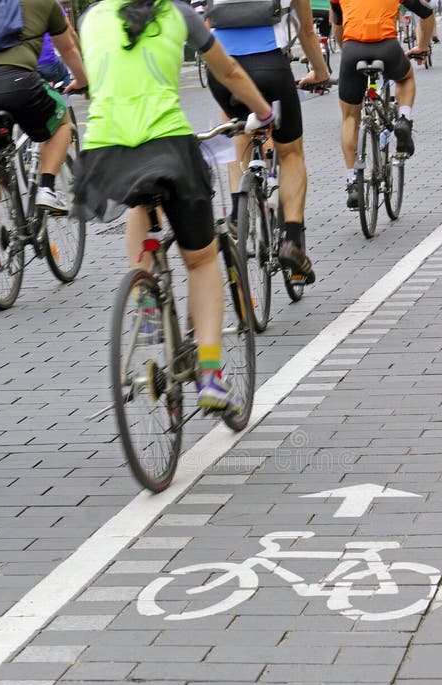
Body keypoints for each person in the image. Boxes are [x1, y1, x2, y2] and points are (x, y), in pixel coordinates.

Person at [75, 0, 274, 413]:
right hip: (167, 146)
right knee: (201, 260)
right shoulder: (179, 14)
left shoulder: (89, 18)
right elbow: (229, 72)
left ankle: (145, 298)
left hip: (105, 152)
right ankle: (211, 376)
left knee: (140, 203)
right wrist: (263, 112)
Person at [206, 0, 331, 284]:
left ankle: (237, 212)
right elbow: (306, 31)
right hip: (270, 67)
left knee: (239, 129)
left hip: (222, 70)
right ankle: (292, 242)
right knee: (291, 154)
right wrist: (321, 72)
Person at [0, 0, 88, 213]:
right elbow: (68, 50)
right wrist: (83, 81)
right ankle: (46, 188)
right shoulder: (46, 3)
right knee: (62, 121)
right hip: (18, 83)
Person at [330, 0, 434, 211]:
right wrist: (423, 47)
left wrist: (347, 51)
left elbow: (337, 26)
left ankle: (352, 181)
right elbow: (427, 13)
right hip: (387, 48)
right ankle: (403, 119)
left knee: (349, 118)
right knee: (405, 78)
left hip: (352, 50)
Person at [37, 3, 81, 89]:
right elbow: (70, 33)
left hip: (23, 67)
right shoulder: (51, 3)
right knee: (64, 75)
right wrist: (81, 56)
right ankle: (65, 94)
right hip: (48, 61)